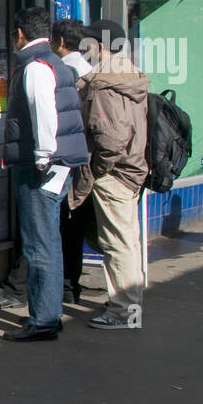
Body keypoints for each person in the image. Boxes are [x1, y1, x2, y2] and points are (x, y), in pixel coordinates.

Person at [1, 6, 88, 342]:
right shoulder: (55, 61)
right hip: (58, 165)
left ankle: (43, 319)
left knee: (40, 245)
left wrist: (42, 158)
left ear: (20, 33)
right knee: (48, 241)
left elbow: (44, 115)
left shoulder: (35, 66)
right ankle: (49, 313)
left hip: (42, 166)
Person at [69, 20, 149, 329]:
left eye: (87, 45)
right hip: (127, 170)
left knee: (118, 243)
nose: (82, 50)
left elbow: (110, 139)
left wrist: (96, 172)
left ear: (100, 46)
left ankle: (124, 312)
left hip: (113, 175)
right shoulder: (126, 74)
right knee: (123, 241)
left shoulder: (104, 84)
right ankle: (127, 306)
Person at [51, 17, 95, 304]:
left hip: (65, 159)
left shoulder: (65, 71)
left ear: (61, 43)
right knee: (74, 225)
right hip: (85, 159)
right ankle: (71, 285)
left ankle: (63, 286)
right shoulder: (91, 70)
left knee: (61, 225)